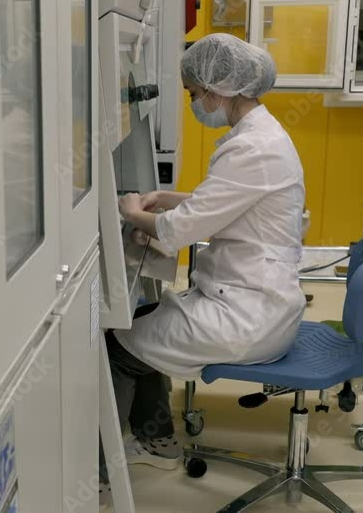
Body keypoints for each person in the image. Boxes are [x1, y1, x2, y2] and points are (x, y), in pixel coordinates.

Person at [109, 33, 307, 472]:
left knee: (118, 345)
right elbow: (227, 204)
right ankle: (156, 440)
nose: (195, 103)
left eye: (195, 94)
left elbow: (178, 230)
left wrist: (130, 211)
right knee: (147, 322)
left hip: (247, 315)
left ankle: (99, 473)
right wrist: (164, 197)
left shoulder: (252, 148)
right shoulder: (263, 135)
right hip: (256, 298)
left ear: (218, 91)